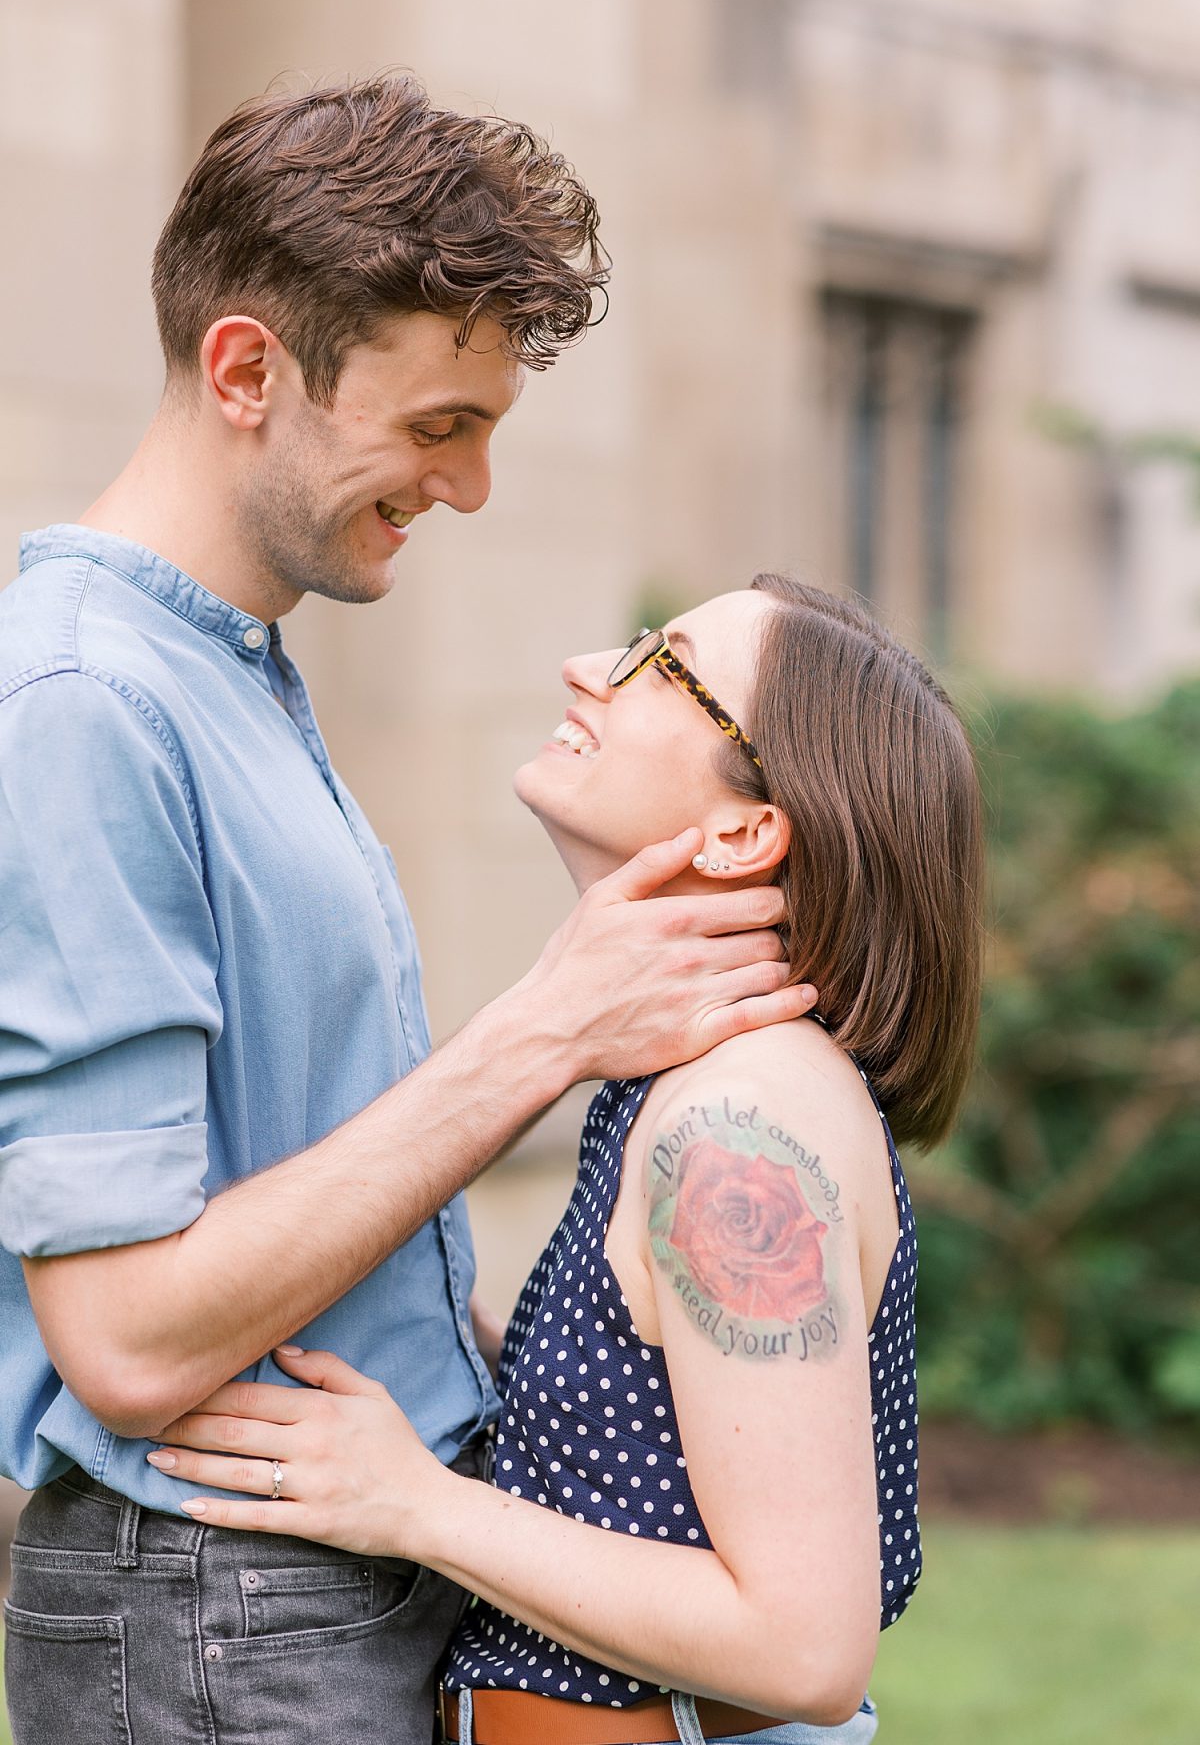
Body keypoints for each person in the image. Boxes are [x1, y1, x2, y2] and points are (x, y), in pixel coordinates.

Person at [0, 78, 817, 1745]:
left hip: (307, 1579)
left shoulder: (226, 671)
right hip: (225, 1603)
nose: (473, 488)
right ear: (248, 372)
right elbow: (128, 1339)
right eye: (441, 423)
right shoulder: (88, 704)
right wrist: (549, 1028)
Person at [146, 577, 986, 1745]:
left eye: (660, 664)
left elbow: (804, 1647)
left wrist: (413, 1504)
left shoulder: (741, 1120)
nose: (586, 667)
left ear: (747, 830)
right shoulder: (699, 1084)